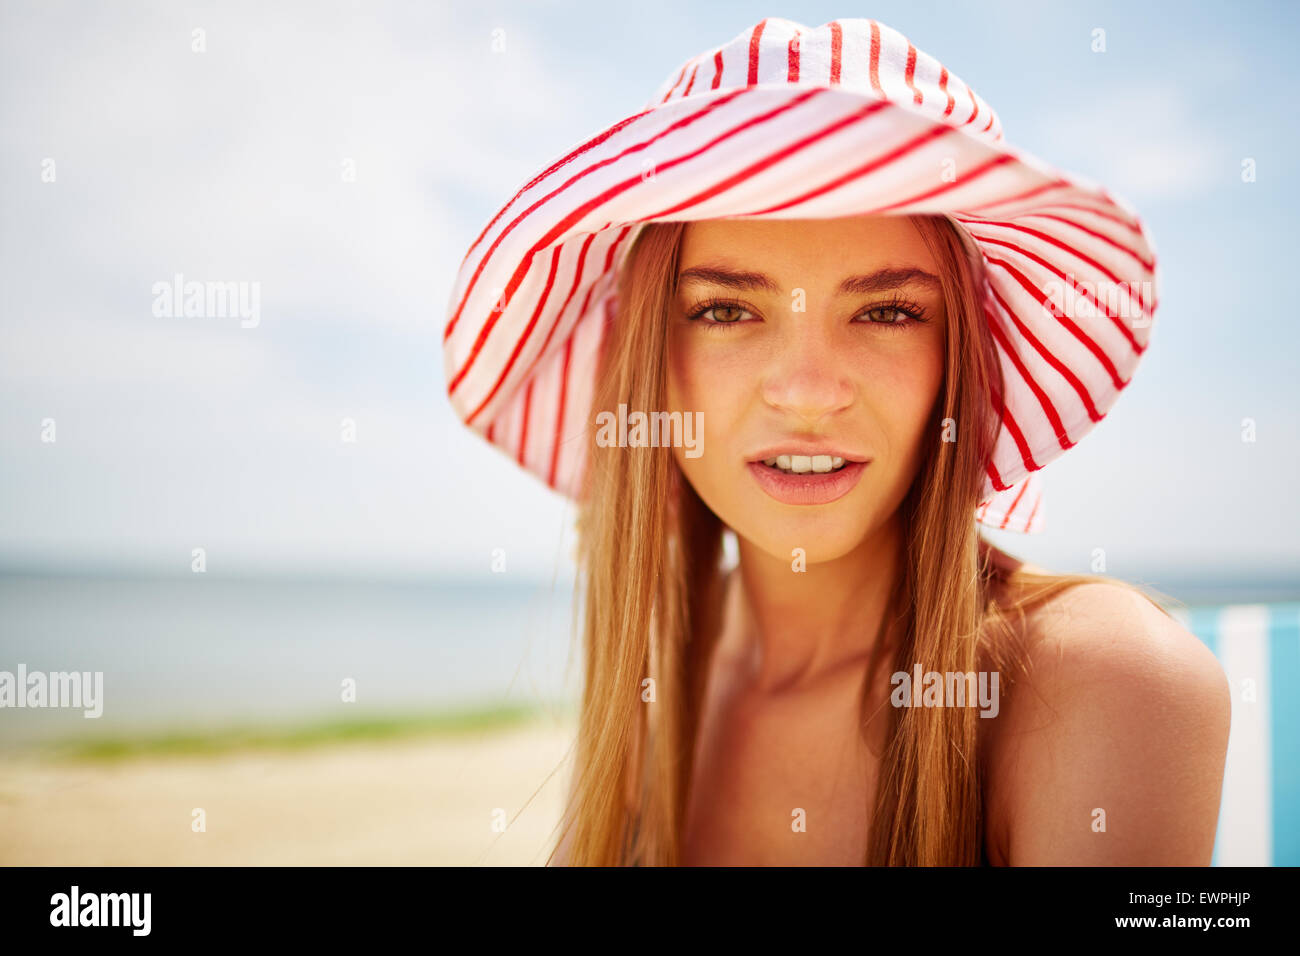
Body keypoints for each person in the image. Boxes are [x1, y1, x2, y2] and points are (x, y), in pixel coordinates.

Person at [443, 17, 1230, 865]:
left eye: (887, 312)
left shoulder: (1099, 684)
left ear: (955, 362)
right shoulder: (655, 682)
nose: (810, 393)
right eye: (726, 310)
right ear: (650, 366)